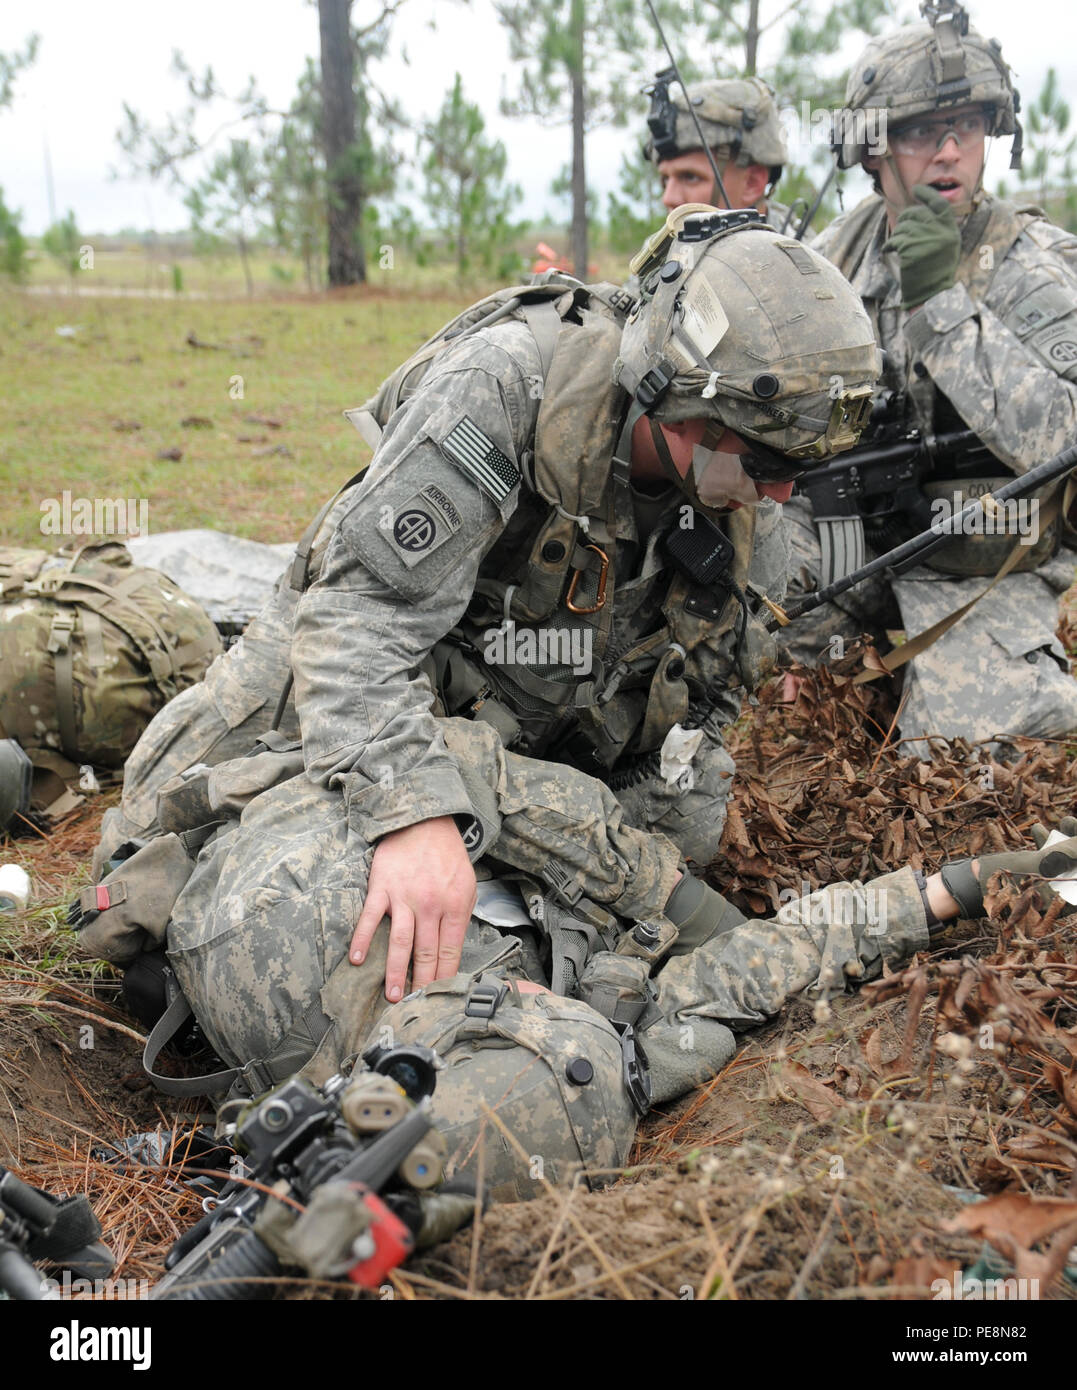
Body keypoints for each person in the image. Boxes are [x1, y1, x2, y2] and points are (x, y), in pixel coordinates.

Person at [78, 212, 1074, 1204]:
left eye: (795, 472)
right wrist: (414, 816)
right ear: (678, 398)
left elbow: (702, 711)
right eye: (763, 462)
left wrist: (641, 880)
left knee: (658, 870)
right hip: (326, 719)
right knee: (257, 910)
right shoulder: (508, 389)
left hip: (512, 750)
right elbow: (355, 625)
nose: (778, 496)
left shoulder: (748, 515)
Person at [782, 0, 1077, 751]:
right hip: (848, 540)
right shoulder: (832, 258)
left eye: (966, 127)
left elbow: (1066, 437)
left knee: (969, 755)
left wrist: (939, 305)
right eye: (920, 132)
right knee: (729, 642)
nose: (948, 152)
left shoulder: (1030, 266)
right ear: (872, 149)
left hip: (978, 562)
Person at [644, 75, 791, 227]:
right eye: (665, 179)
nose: (668, 198)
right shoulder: (661, 242)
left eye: (690, 177)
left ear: (751, 183)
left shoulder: (795, 243)